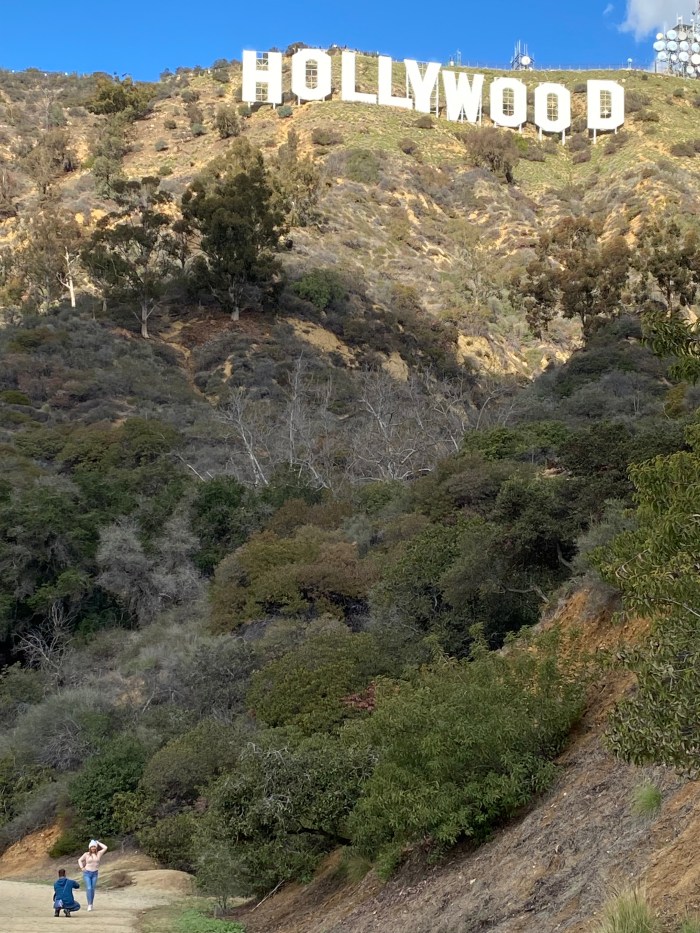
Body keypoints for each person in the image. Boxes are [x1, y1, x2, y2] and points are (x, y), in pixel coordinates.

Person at [77, 839, 108, 911]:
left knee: (92, 889)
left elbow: (105, 847)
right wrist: (82, 867)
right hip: (87, 873)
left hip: (95, 873)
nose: (93, 848)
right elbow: (79, 860)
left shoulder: (99, 853)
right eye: (92, 847)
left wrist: (98, 842)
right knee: (89, 888)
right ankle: (89, 904)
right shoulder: (86, 854)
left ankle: (91, 904)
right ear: (89, 847)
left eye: (94, 846)